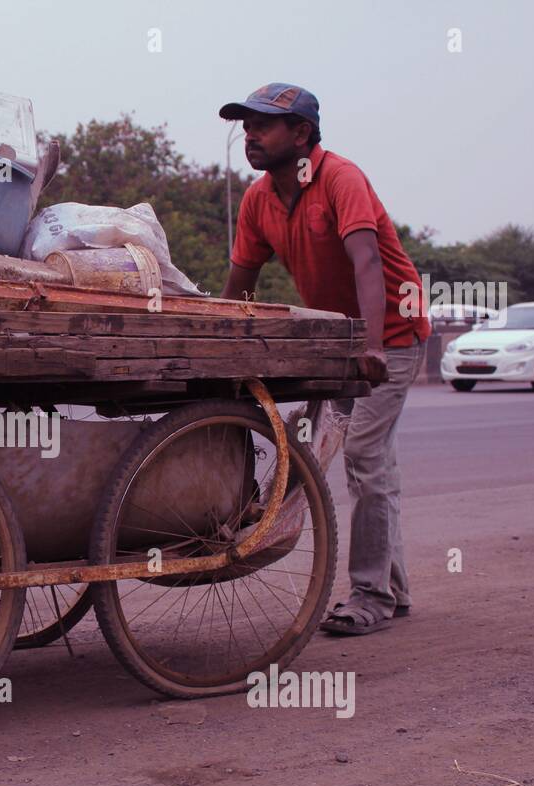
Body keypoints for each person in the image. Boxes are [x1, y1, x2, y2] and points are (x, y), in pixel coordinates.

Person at [219, 83, 430, 636]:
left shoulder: (341, 178)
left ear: (302, 134)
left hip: (393, 333)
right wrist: (220, 343)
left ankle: (370, 597)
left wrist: (372, 347)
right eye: (246, 126)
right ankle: (394, 589)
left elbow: (367, 263)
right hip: (340, 341)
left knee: (362, 453)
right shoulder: (258, 199)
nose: (250, 135)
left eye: (262, 125)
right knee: (343, 452)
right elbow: (241, 282)